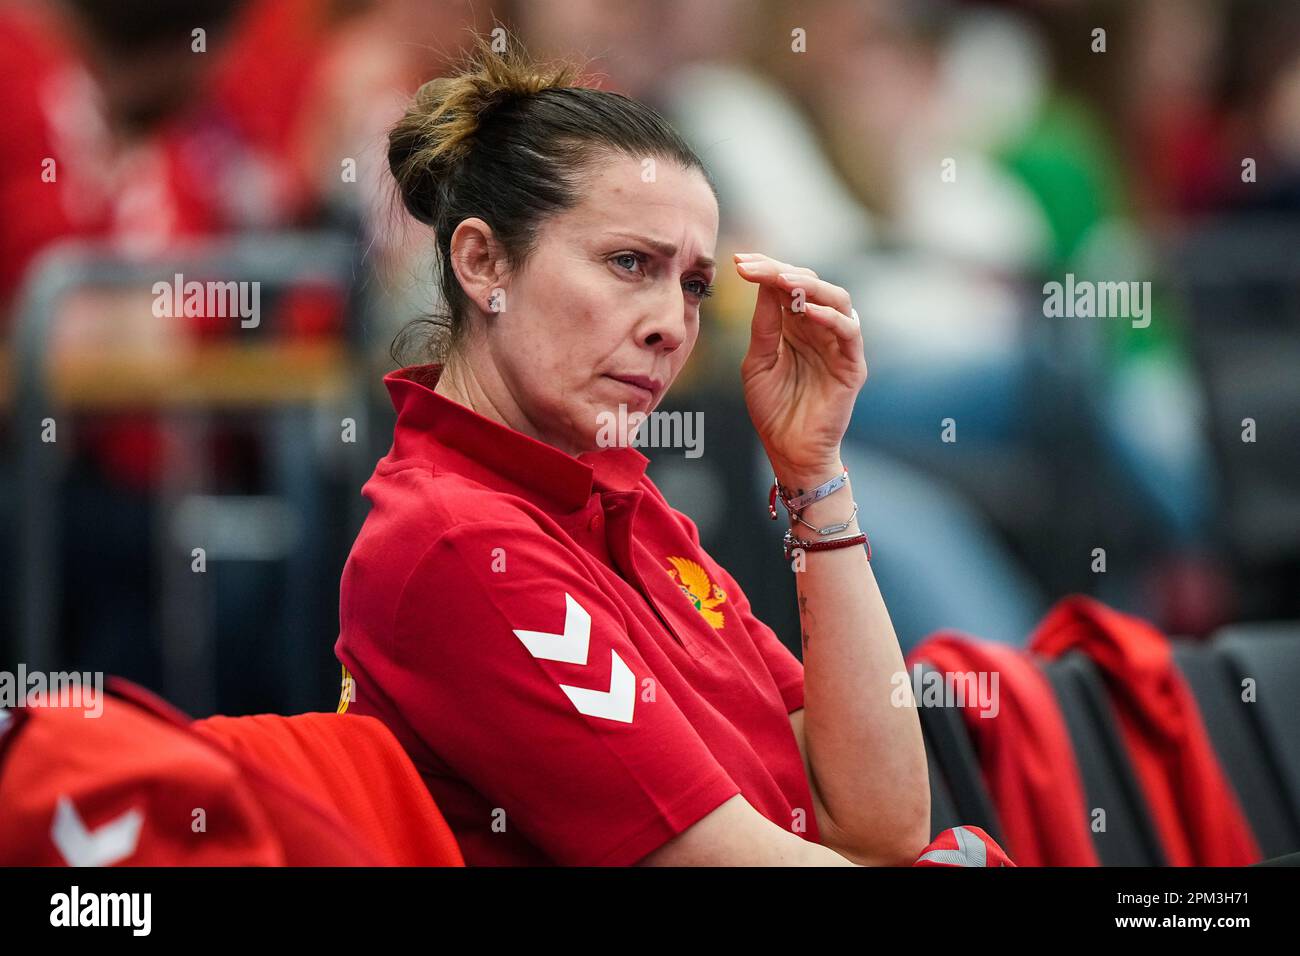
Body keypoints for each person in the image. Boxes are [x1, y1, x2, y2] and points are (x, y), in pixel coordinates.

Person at [334, 34, 929, 866]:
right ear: (482, 262)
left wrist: (813, 473)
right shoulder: (459, 545)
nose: (670, 325)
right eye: (627, 263)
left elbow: (881, 823)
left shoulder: (622, 502)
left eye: (691, 284)